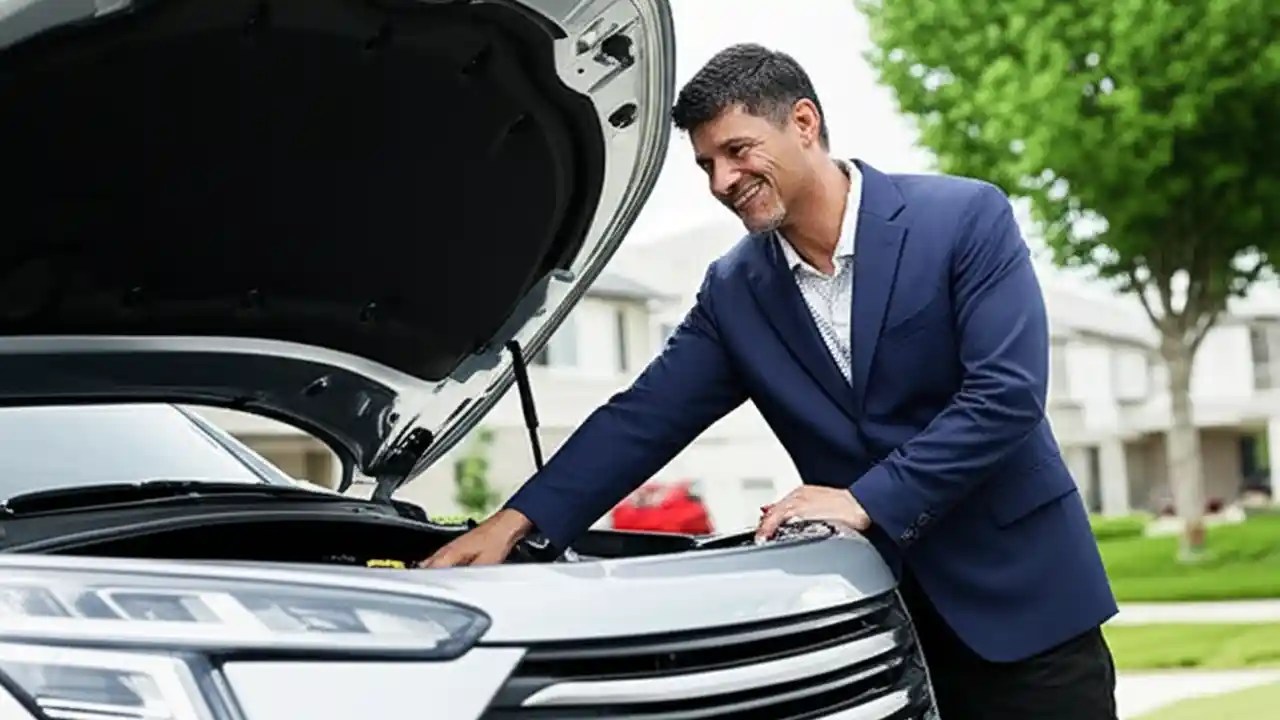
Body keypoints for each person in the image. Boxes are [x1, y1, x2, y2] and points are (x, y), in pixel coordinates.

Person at [421, 43, 1118, 718]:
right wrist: (515, 523)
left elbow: (1005, 397)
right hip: (875, 628)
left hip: (1028, 607)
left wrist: (864, 499)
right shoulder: (735, 290)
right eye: (705, 165)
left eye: (736, 151)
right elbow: (643, 417)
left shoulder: (964, 218)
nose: (722, 181)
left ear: (805, 124)